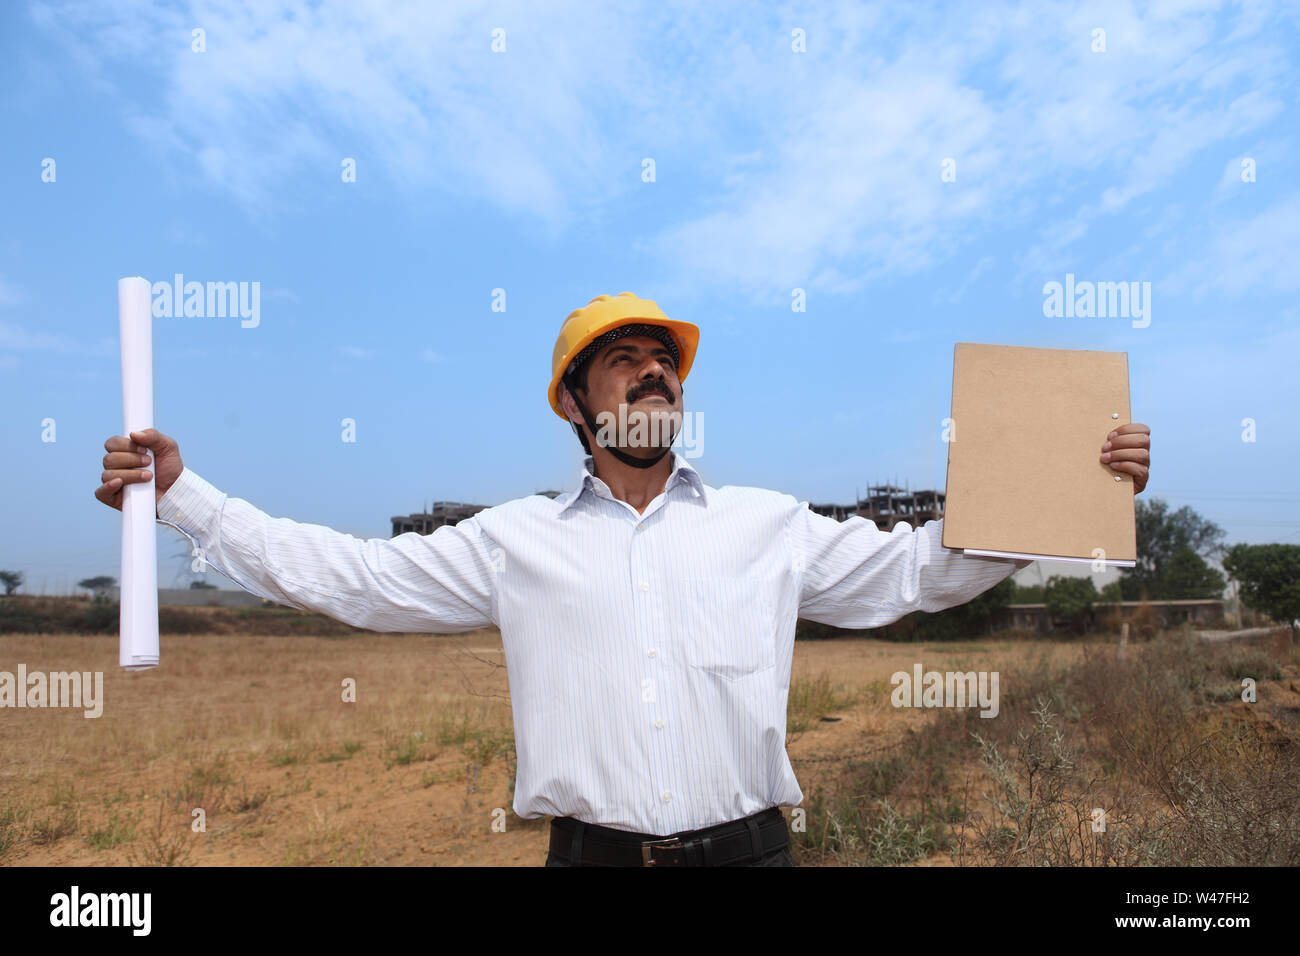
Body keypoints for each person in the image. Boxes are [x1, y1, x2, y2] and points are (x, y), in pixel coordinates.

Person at [95, 291, 1152, 866]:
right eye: (623, 359)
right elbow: (357, 578)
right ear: (572, 403)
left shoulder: (767, 524)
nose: (654, 369)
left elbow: (920, 572)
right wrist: (188, 498)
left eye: (666, 359)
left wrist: (1066, 486)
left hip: (750, 854)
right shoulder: (513, 540)